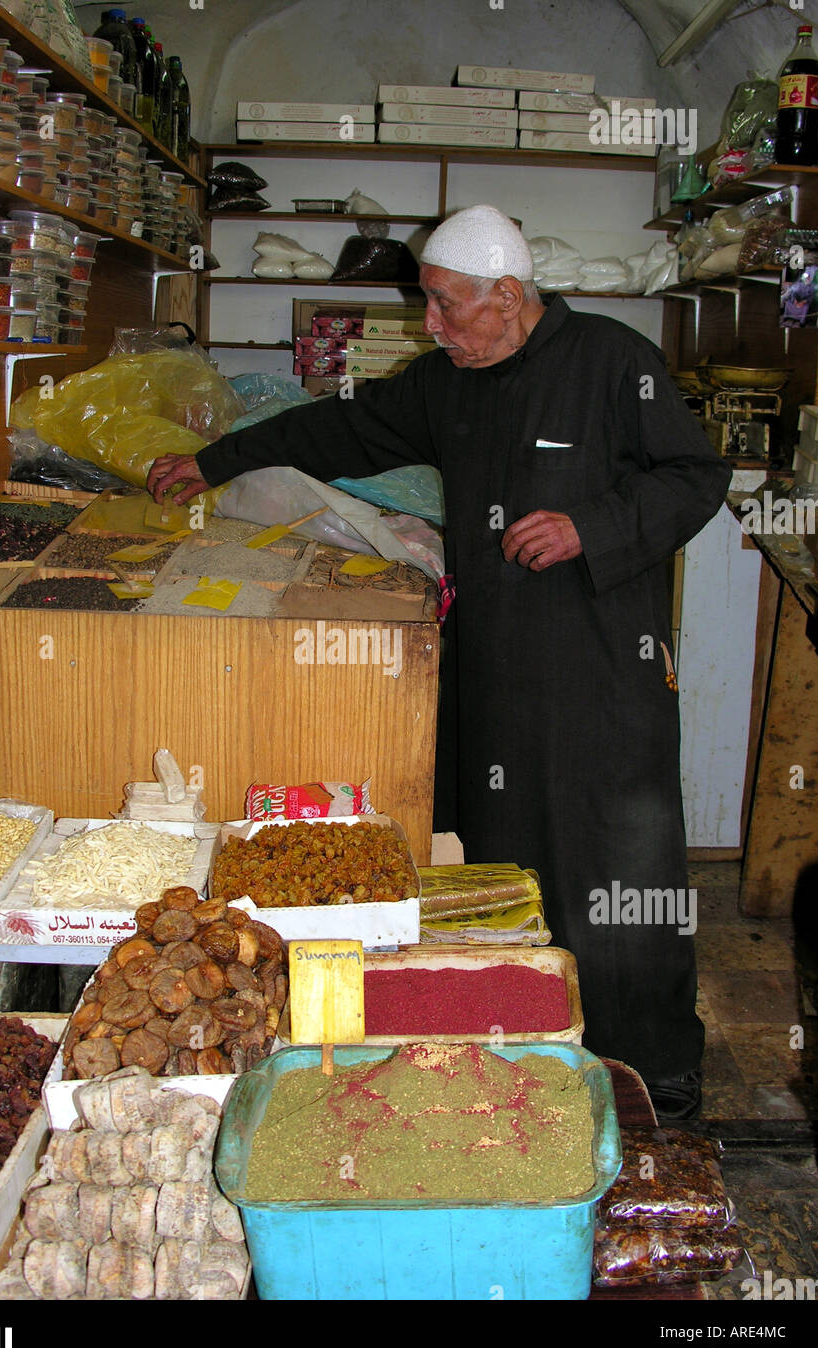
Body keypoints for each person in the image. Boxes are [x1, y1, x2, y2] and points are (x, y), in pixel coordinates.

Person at [148, 206, 731, 1122]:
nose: (431, 323)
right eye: (428, 302)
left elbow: (695, 477)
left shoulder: (614, 363)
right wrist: (215, 459)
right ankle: (521, 1045)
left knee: (616, 868)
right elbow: (334, 431)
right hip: (494, 666)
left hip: (602, 668)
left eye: (446, 304)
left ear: (507, 296)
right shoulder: (445, 384)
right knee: (504, 864)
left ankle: (654, 1067)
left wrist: (592, 525)